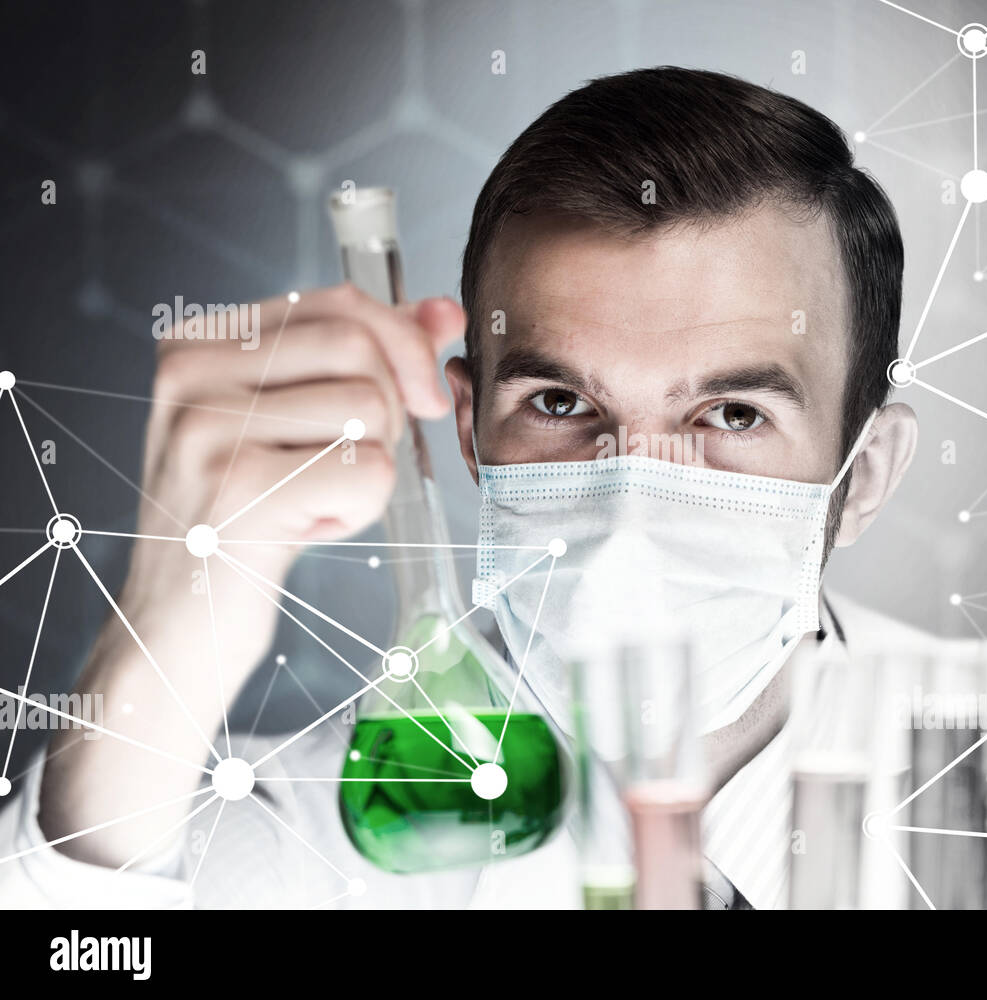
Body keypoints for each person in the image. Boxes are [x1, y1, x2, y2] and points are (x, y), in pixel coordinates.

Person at [0, 66, 921, 909]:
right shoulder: (295, 836)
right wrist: (159, 652)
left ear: (866, 470)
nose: (633, 503)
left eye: (732, 415)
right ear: (470, 431)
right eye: (560, 402)